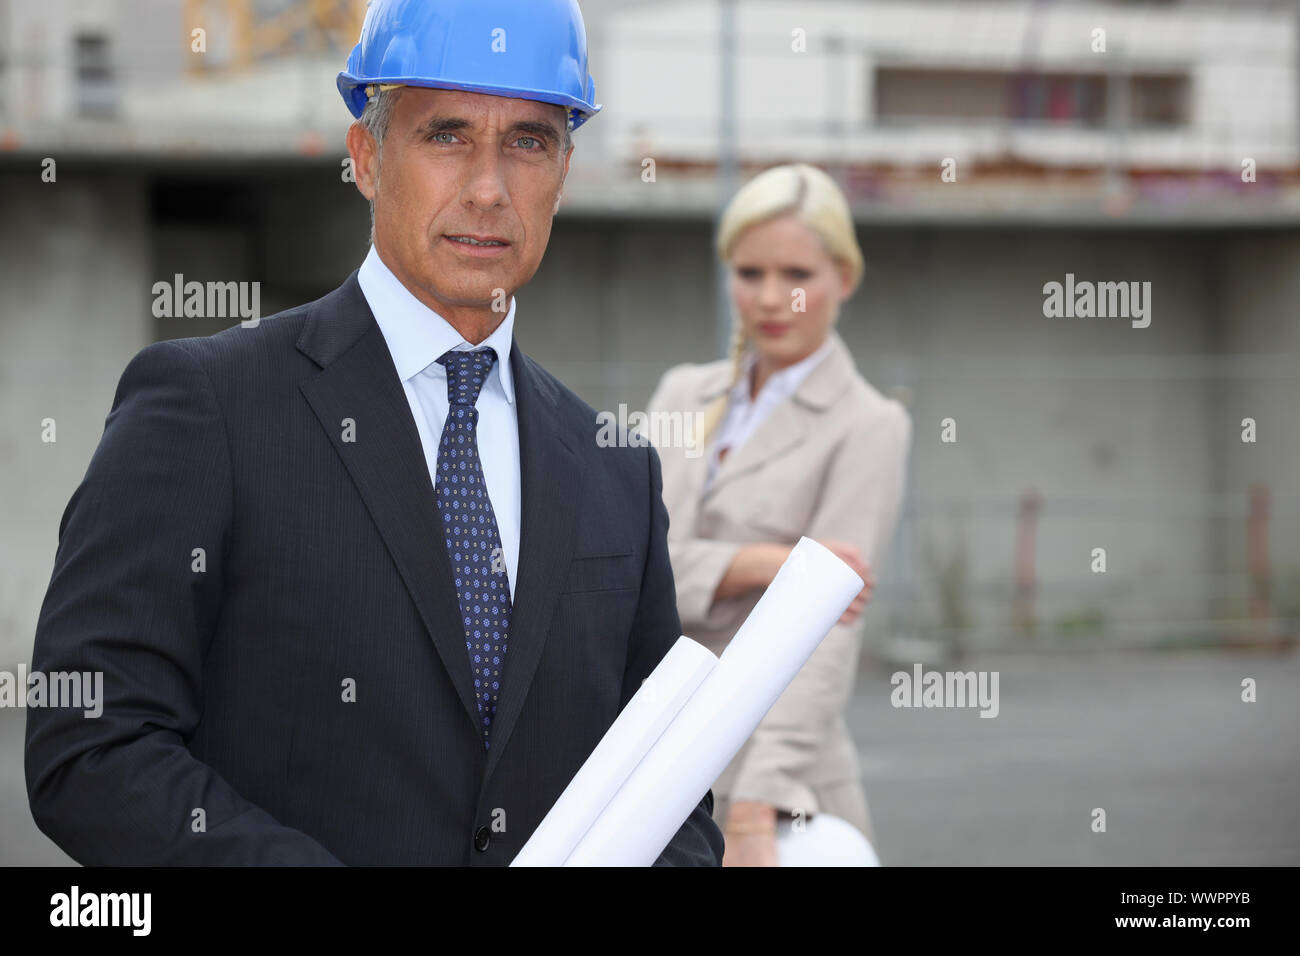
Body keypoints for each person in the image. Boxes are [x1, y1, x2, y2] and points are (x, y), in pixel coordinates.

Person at [24, 0, 722, 867]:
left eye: (528, 142)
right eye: (447, 135)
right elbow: (90, 744)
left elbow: (671, 789)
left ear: (565, 172)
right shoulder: (208, 405)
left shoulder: (616, 468)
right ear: (365, 157)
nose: (488, 188)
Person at [646, 163, 912, 866]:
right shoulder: (680, 395)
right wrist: (760, 566)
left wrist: (756, 810)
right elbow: (630, 572)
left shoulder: (869, 425)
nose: (770, 298)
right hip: (648, 757)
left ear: (844, 279)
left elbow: (825, 641)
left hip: (776, 789)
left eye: (797, 274)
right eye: (749, 272)